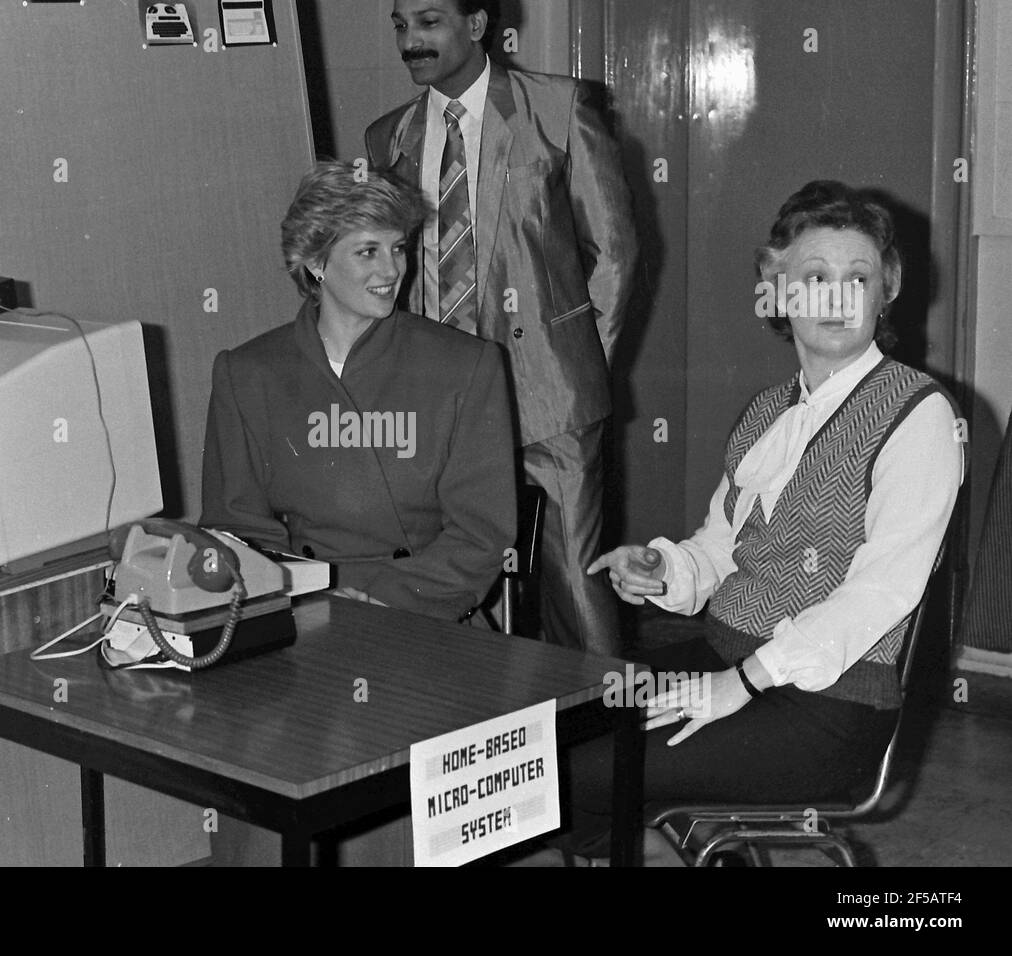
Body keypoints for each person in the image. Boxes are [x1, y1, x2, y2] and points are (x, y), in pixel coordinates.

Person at [567, 180, 964, 864]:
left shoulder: (920, 414)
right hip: (722, 658)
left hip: (823, 711)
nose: (838, 297)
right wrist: (667, 570)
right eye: (815, 277)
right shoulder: (767, 412)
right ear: (779, 291)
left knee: (576, 771)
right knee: (549, 731)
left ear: (884, 293)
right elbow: (722, 548)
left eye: (858, 278)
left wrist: (742, 683)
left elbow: (881, 594)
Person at [365, 0, 638, 653]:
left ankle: (603, 731)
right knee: (443, 580)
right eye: (400, 26)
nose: (410, 41)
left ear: (479, 23)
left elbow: (617, 256)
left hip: (550, 404)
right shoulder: (389, 139)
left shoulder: (558, 109)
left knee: (575, 581)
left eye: (427, 21)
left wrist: (570, 365)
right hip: (437, 406)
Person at [200, 160, 516, 624]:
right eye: (367, 251)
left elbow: (481, 534)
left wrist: (386, 599)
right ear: (314, 261)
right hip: (300, 613)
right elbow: (237, 529)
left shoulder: (465, 365)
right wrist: (301, 600)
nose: (392, 270)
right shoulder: (248, 373)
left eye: (398, 248)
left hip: (425, 610)